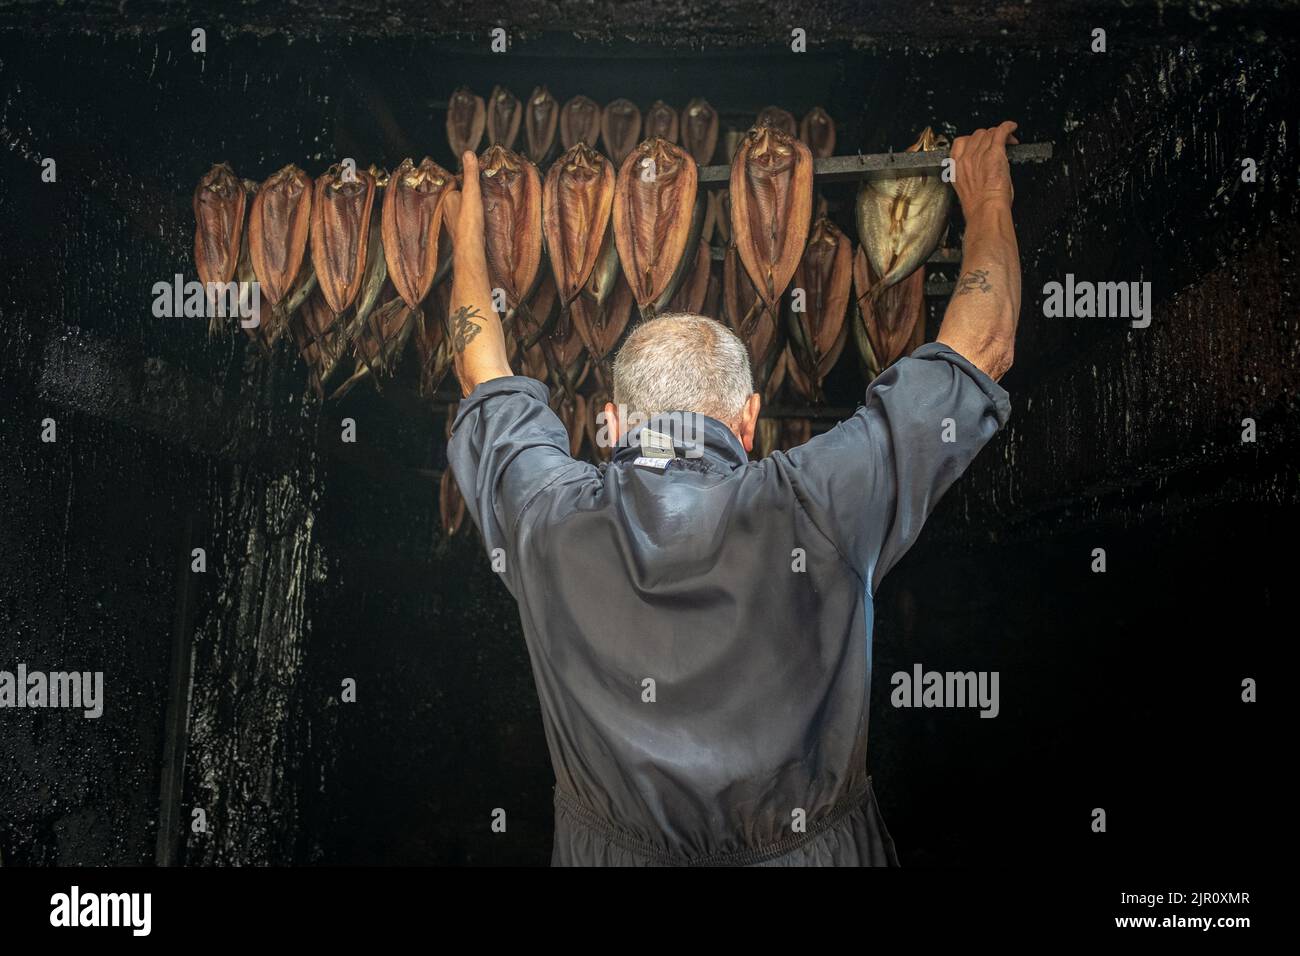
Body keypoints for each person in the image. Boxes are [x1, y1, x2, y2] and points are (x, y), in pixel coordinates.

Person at [441, 121, 1021, 866]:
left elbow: (478, 370)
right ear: (751, 421)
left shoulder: (546, 517)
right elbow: (984, 349)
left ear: (610, 423)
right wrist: (990, 197)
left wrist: (467, 232)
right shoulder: (821, 499)